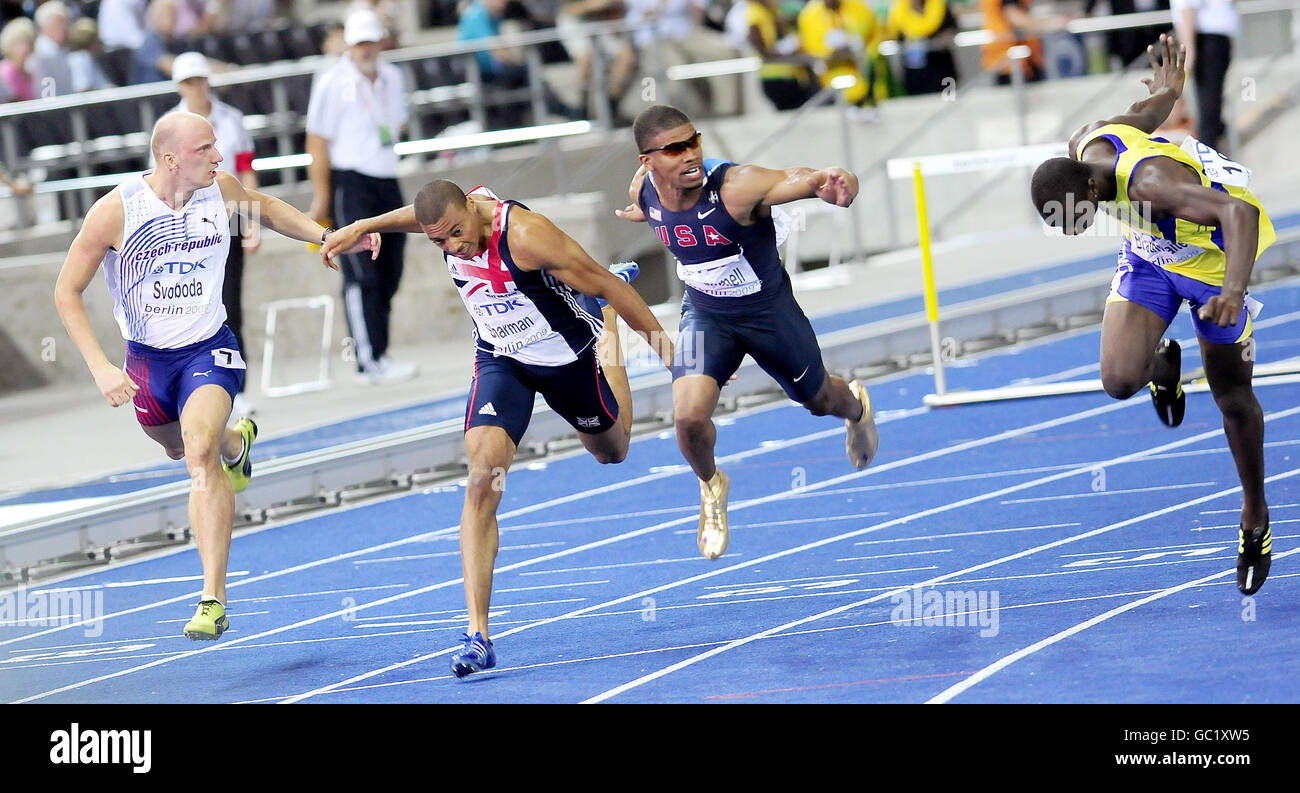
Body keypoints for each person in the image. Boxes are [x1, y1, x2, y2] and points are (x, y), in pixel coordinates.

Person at [321, 180, 673, 678]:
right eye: (440, 242)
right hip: (501, 359)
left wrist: (673, 357)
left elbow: (605, 281)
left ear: (473, 206)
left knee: (612, 450)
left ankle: (606, 326)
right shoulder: (446, 223)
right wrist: (362, 225)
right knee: (483, 479)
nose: (454, 247)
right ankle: (478, 633)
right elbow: (420, 216)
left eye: (458, 234)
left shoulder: (527, 234)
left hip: (565, 356)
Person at [53, 112, 378, 640]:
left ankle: (212, 597)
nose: (218, 158)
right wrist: (101, 367)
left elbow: (268, 209)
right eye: (206, 149)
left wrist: (325, 237)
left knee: (197, 451)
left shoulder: (219, 192)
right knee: (178, 446)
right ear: (170, 159)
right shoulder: (116, 212)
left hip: (209, 349)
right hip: (147, 362)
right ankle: (237, 441)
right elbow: (66, 291)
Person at [1030, 35, 1276, 595]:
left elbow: (1238, 215)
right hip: (1151, 253)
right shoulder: (1084, 145)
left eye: (1074, 218)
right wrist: (1168, 91)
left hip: (1216, 258)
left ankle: (1255, 515)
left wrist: (1235, 291)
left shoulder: (1152, 183)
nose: (1069, 229)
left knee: (1232, 397)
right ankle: (1162, 362)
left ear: (1093, 188)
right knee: (1118, 379)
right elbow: (1141, 114)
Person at [616, 104, 880, 562]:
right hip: (706, 314)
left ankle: (855, 406)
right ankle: (712, 484)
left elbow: (799, 177)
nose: (690, 154)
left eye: (694, 140)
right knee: (687, 416)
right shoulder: (645, 191)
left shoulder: (736, 187)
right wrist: (645, 216)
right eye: (675, 149)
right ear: (648, 161)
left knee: (819, 402)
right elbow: (658, 214)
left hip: (768, 314)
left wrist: (834, 181)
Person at [306, 9, 415, 384]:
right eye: (360, 43)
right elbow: (317, 139)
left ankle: (379, 350)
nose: (367, 49)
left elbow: (397, 124)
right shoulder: (331, 82)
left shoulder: (392, 77)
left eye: (372, 41)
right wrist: (322, 196)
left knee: (391, 266)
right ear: (350, 45)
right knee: (359, 271)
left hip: (386, 175)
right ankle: (368, 358)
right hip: (350, 181)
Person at [169, 51, 260, 417]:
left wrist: (251, 222)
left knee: (230, 306)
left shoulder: (231, 119)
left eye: (201, 79)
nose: (197, 87)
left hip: (227, 222)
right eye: (190, 82)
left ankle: (235, 388)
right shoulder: (168, 125)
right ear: (180, 86)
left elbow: (245, 170)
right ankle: (196, 386)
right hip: (189, 230)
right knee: (192, 308)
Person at [1171, 0, 1237, 152]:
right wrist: (1189, 51)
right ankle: (1207, 166)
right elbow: (1187, 8)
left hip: (1210, 40)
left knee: (1211, 113)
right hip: (1205, 41)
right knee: (1208, 114)